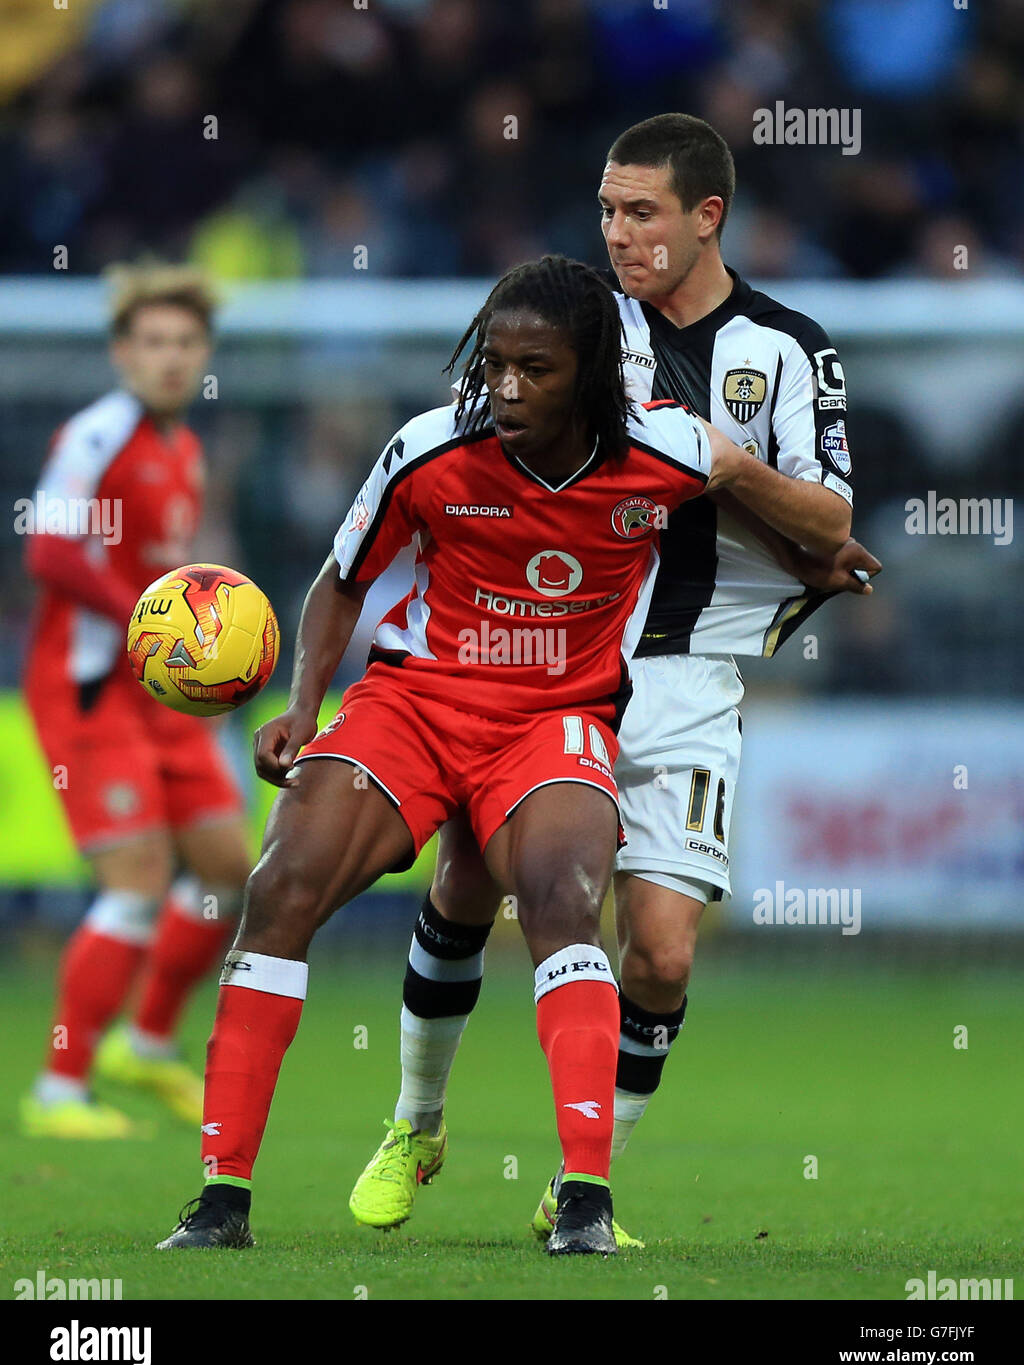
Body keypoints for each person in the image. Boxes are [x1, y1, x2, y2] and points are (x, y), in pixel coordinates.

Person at [156, 254, 787, 1256]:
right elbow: (340, 577)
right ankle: (220, 1200)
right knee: (280, 890)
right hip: (413, 701)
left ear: (586, 375)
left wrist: (826, 554)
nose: (503, 388)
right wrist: (304, 703)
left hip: (554, 717)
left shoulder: (666, 453)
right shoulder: (428, 449)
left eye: (533, 369)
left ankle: (583, 1199)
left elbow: (763, 498)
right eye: (492, 364)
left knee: (564, 897)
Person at [348, 113, 881, 1246]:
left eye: (640, 213)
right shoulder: (583, 329)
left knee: (664, 948)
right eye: (605, 209)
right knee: (464, 890)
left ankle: (580, 1189)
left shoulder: (789, 347)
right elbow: (487, 443)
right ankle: (415, 1122)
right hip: (548, 657)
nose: (617, 234)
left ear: (706, 217)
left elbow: (831, 513)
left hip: (691, 676)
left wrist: (728, 465)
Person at [20, 264, 251, 1139]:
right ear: (122, 353)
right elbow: (48, 552)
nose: (169, 357)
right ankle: (59, 1090)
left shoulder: (183, 450)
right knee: (137, 885)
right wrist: (146, 619)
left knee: (229, 874)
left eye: (185, 342)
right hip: (89, 693)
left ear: (204, 354)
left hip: (164, 697)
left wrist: (204, 671)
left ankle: (145, 1044)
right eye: (152, 342)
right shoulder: (96, 434)